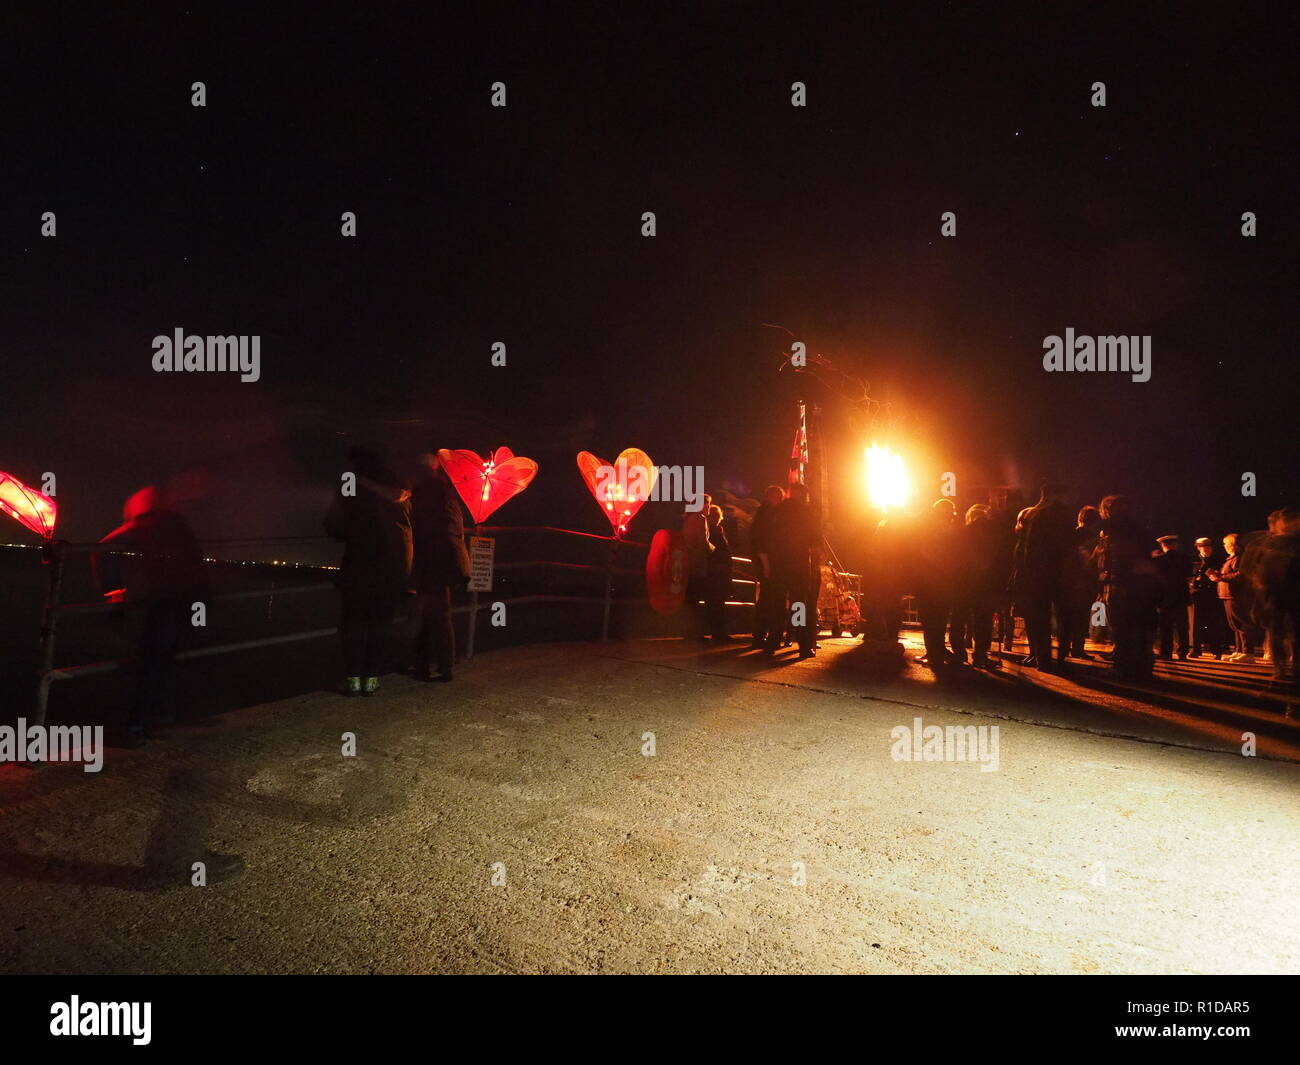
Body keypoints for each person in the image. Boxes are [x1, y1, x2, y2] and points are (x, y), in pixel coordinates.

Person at [93, 486, 209, 743]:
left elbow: (101, 549)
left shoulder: (143, 524)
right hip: (195, 598)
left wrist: (113, 590)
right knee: (172, 656)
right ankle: (163, 716)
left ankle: (137, 724)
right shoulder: (178, 523)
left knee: (149, 660)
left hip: (166, 600)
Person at [324, 447, 413, 695]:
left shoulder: (352, 483)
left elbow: (333, 524)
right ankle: (371, 678)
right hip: (394, 569)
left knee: (353, 623)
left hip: (359, 566)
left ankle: (353, 679)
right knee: (381, 624)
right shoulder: (401, 485)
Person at [409, 452, 471, 682]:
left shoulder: (428, 490)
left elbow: (429, 525)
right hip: (442, 562)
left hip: (433, 561)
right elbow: (452, 526)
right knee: (437, 615)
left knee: (432, 615)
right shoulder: (444, 489)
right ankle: (438, 666)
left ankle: (436, 666)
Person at [1012, 483, 1075, 669]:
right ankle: (1057, 657)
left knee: (1037, 616)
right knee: (1062, 615)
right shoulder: (1060, 514)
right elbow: (1067, 544)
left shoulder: (1030, 514)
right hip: (1057, 571)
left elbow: (1025, 548)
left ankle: (1039, 656)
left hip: (1035, 573)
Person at [1099, 494, 1159, 680]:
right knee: (1142, 626)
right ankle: (1144, 668)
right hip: (1144, 584)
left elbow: (1110, 555)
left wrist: (1106, 574)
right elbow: (1152, 551)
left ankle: (1122, 668)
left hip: (1122, 582)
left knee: (1122, 627)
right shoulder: (1140, 526)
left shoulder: (1111, 526)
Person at [765, 483, 820, 658]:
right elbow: (814, 538)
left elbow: (769, 538)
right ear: (804, 495)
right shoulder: (806, 512)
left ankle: (773, 641)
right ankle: (802, 644)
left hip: (779, 564)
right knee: (799, 604)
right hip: (798, 565)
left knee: (778, 604)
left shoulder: (777, 511)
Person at [1252, 506, 1299, 685]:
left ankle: (1283, 668)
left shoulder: (1274, 542)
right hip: (1280, 595)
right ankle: (1288, 667)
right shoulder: (1275, 542)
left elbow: (1260, 572)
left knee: (1280, 632)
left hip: (1280, 595)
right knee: (1284, 632)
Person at [913, 498, 959, 667]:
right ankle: (936, 651)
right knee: (939, 621)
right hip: (945, 584)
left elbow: (922, 555)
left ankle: (933, 654)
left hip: (928, 584)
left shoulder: (929, 530)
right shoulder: (953, 530)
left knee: (930, 620)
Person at [749, 485, 785, 648]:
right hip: (769, 562)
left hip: (765, 561)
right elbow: (762, 541)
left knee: (766, 600)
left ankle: (760, 636)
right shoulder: (768, 514)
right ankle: (765, 636)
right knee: (770, 600)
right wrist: (766, 565)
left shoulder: (762, 513)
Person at [1067, 506, 1104, 659]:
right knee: (1081, 617)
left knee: (1068, 616)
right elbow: (1096, 562)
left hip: (1069, 581)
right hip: (1087, 582)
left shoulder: (1070, 535)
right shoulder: (1096, 539)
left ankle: (1065, 649)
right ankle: (1077, 649)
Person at [1213, 533, 1254, 662]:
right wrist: (1218, 576)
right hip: (1227, 594)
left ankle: (1248, 652)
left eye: (1226, 544)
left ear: (1232, 545)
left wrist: (1221, 577)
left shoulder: (1239, 558)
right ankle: (1239, 650)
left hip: (1236, 595)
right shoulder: (1230, 558)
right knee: (1235, 626)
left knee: (1241, 624)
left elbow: (1239, 575)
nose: (1224, 546)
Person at [1152, 534, 1193, 660]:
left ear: (1163, 545)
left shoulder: (1159, 559)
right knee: (1182, 626)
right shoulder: (1185, 558)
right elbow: (1189, 575)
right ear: (1175, 545)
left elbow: (1155, 578)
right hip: (1181, 596)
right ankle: (1183, 652)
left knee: (1166, 627)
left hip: (1165, 597)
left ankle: (1166, 652)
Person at [681, 493, 713, 641]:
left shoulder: (688, 519)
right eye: (708, 505)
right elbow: (702, 541)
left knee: (690, 597)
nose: (709, 508)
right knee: (696, 596)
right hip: (697, 562)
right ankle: (695, 633)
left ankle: (688, 631)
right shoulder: (700, 519)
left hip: (688, 561)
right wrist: (714, 549)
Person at [1188, 536, 1225, 658]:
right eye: (1204, 547)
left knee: (1214, 623)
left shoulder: (1218, 559)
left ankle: (1217, 650)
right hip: (1198, 593)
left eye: (1209, 546)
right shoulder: (1193, 560)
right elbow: (1189, 576)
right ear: (1198, 548)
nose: (1207, 549)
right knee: (1196, 623)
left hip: (1212, 594)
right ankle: (1196, 649)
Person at [704, 503, 734, 639]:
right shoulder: (714, 531)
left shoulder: (715, 530)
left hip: (718, 571)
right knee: (716, 602)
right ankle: (718, 632)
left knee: (716, 602)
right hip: (716, 572)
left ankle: (717, 631)